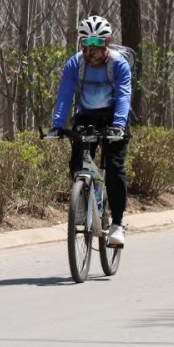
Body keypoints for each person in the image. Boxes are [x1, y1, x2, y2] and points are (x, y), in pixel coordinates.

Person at [48, 15, 132, 248]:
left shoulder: (119, 64)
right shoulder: (75, 63)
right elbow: (65, 94)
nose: (92, 49)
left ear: (107, 42)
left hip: (114, 118)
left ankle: (116, 223)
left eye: (97, 43)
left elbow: (124, 96)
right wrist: (57, 124)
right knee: (76, 165)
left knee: (115, 169)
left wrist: (119, 125)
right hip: (87, 117)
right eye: (87, 43)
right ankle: (85, 200)